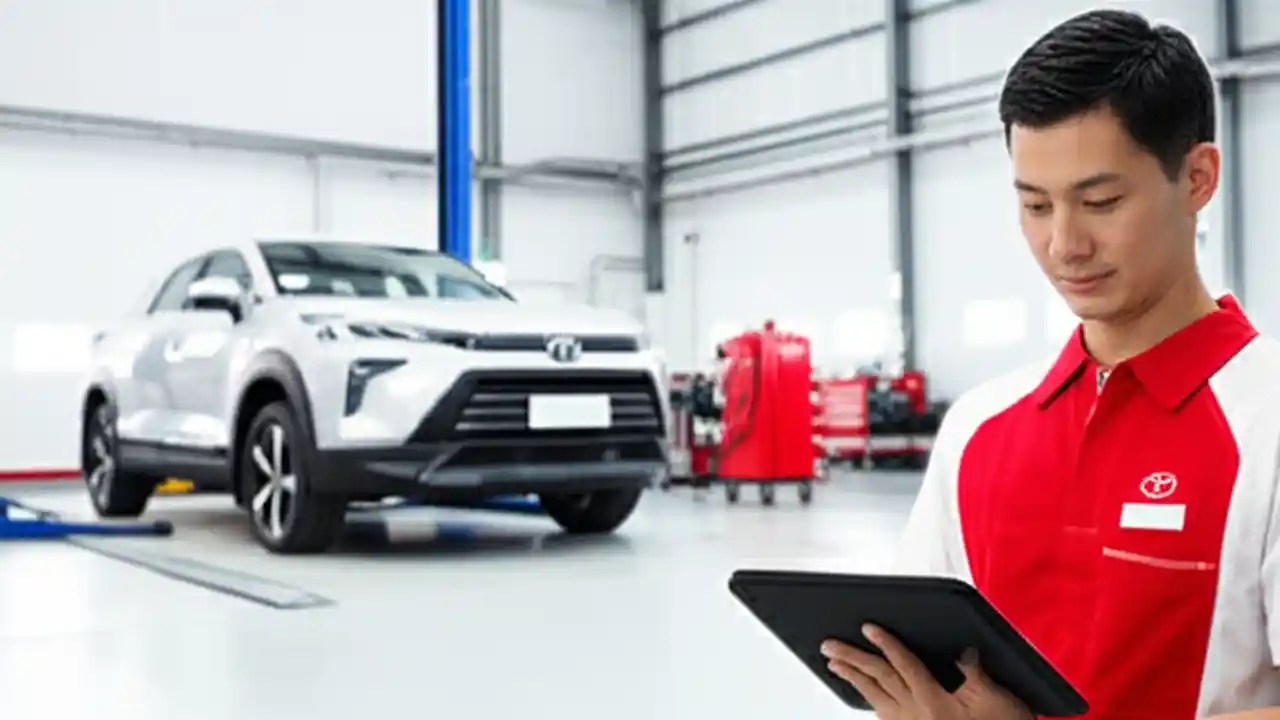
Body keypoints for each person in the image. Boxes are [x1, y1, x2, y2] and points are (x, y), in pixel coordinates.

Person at [819, 9, 1280, 720]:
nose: (1064, 244)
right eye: (1034, 205)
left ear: (1197, 177)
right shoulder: (979, 428)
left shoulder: (1267, 421)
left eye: (1101, 202)